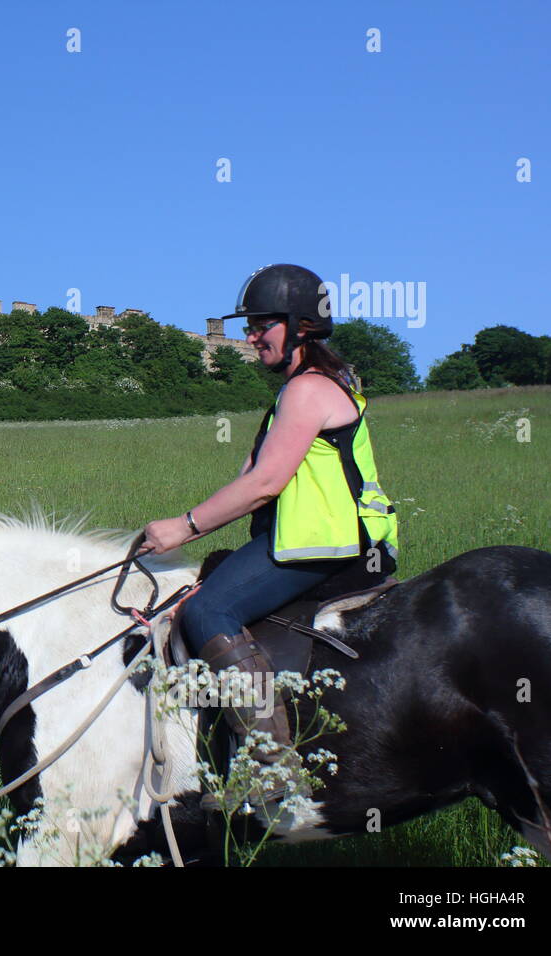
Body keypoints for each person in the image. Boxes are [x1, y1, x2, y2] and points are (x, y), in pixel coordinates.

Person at [140, 264, 399, 791]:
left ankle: (271, 769)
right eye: (250, 325)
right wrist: (183, 530)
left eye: (263, 324)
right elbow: (248, 479)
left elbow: (265, 484)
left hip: (332, 545)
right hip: (315, 540)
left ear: (302, 325)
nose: (251, 336)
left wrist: (183, 528)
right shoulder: (302, 388)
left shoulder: (307, 391)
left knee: (211, 608)